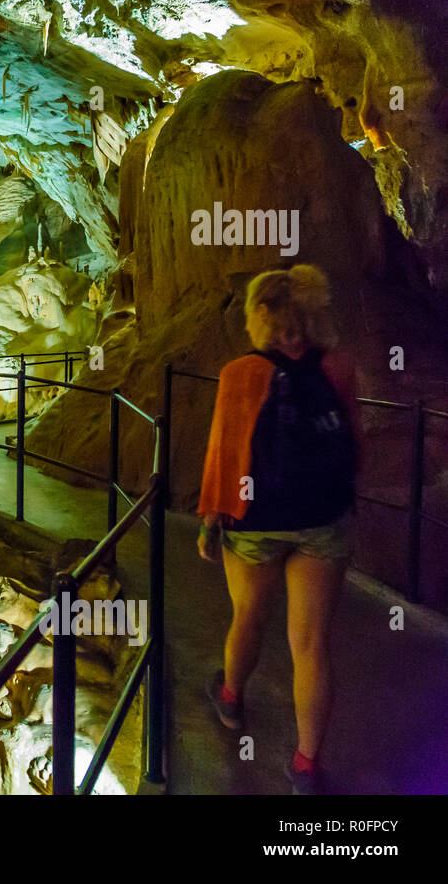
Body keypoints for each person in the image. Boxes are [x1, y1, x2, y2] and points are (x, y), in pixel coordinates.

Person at [196, 265, 359, 794]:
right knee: (310, 643)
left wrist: (210, 523)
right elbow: (355, 446)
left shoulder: (241, 372)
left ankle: (231, 699)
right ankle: (308, 764)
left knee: (248, 614)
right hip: (323, 522)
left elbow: (224, 458)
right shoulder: (337, 367)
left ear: (263, 314)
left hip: (256, 521)